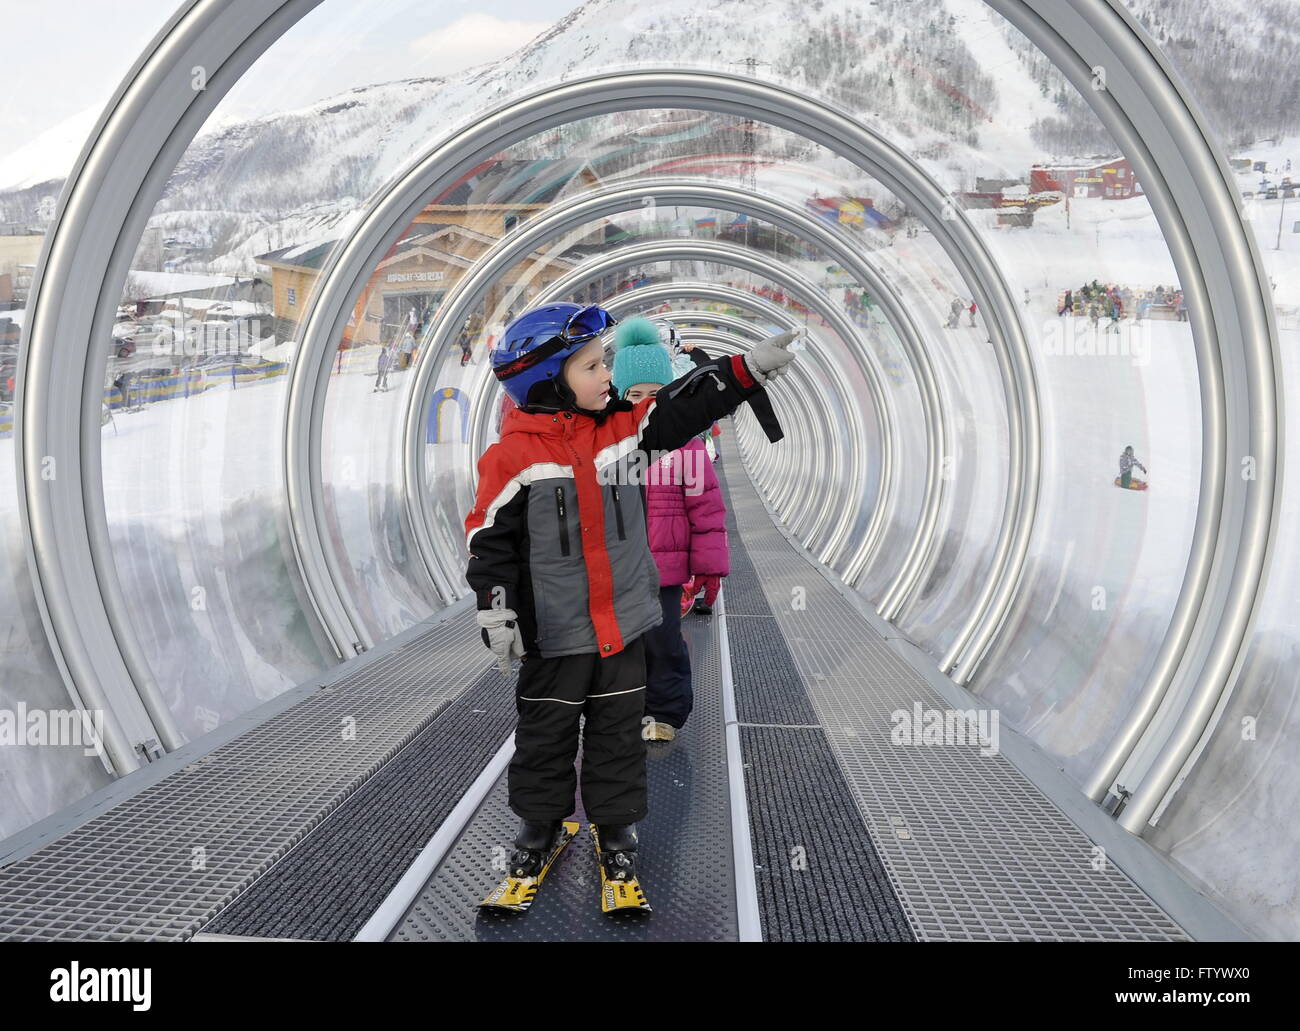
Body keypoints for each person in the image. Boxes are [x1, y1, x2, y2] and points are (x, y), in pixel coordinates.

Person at [464, 302, 797, 909]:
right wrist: (495, 607)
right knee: (545, 740)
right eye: (592, 367)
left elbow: (682, 406)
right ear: (546, 381)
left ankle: (614, 834)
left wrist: (745, 371)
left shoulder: (623, 434)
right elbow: (489, 541)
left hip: (624, 627)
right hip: (553, 636)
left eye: (606, 365)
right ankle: (539, 831)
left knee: (619, 740)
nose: (605, 378)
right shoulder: (513, 459)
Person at [609, 318, 729, 743]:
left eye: (654, 394)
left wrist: (708, 567)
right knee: (623, 642)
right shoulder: (610, 446)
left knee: (663, 638)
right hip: (620, 566)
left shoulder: (686, 445)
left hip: (665, 566)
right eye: (634, 394)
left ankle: (665, 711)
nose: (644, 403)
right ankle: (627, 708)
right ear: (619, 397)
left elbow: (707, 509)